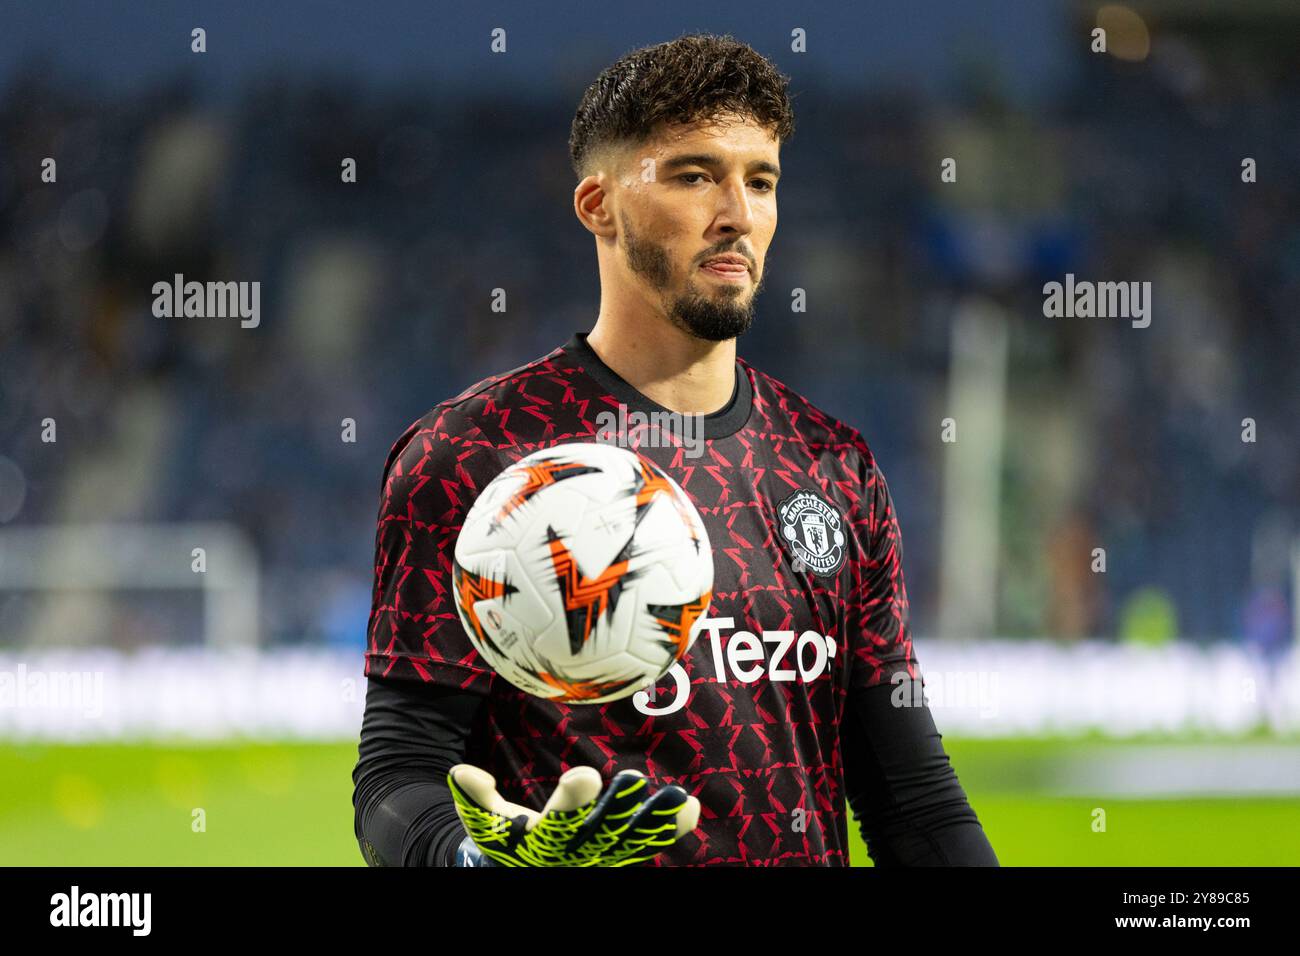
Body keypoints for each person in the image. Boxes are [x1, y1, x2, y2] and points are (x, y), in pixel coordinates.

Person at [352, 33, 997, 867]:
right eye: (695, 175)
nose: (737, 212)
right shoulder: (473, 458)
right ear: (599, 205)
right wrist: (473, 859)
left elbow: (910, 797)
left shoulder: (832, 466)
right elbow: (397, 773)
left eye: (759, 181)